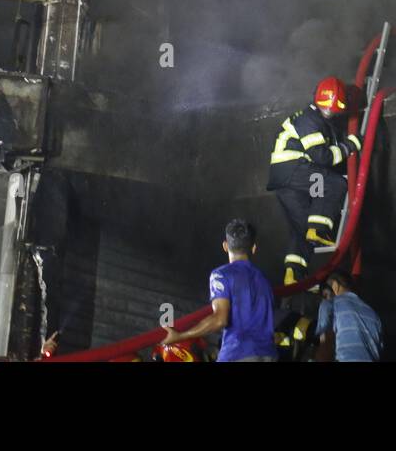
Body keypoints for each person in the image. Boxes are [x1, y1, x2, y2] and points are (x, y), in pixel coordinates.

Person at [266, 76, 363, 287]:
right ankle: (318, 229)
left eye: (332, 110)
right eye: (326, 108)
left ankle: (294, 275)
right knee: (334, 184)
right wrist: (351, 146)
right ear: (316, 102)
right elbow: (323, 157)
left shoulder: (316, 120)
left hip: (287, 181)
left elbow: (323, 161)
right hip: (295, 169)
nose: (329, 112)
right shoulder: (309, 119)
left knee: (301, 229)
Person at [163, 219, 276, 362]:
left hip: (238, 354)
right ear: (253, 248)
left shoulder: (222, 275)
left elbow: (219, 320)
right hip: (268, 354)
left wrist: (180, 336)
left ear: (225, 246)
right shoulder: (264, 280)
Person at [315, 269, 383, 362]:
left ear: (335, 286)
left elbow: (326, 348)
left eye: (325, 295)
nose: (325, 299)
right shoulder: (373, 315)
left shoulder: (330, 305)